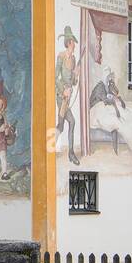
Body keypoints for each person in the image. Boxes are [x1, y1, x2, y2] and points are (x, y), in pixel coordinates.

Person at [55, 26, 81, 165]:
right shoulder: (60, 57)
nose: (74, 45)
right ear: (68, 42)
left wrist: (76, 74)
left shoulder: (74, 58)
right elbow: (55, 78)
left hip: (68, 96)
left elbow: (74, 82)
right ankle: (71, 154)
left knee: (61, 126)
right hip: (61, 96)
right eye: (72, 42)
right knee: (71, 122)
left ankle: (49, 146)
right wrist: (63, 90)